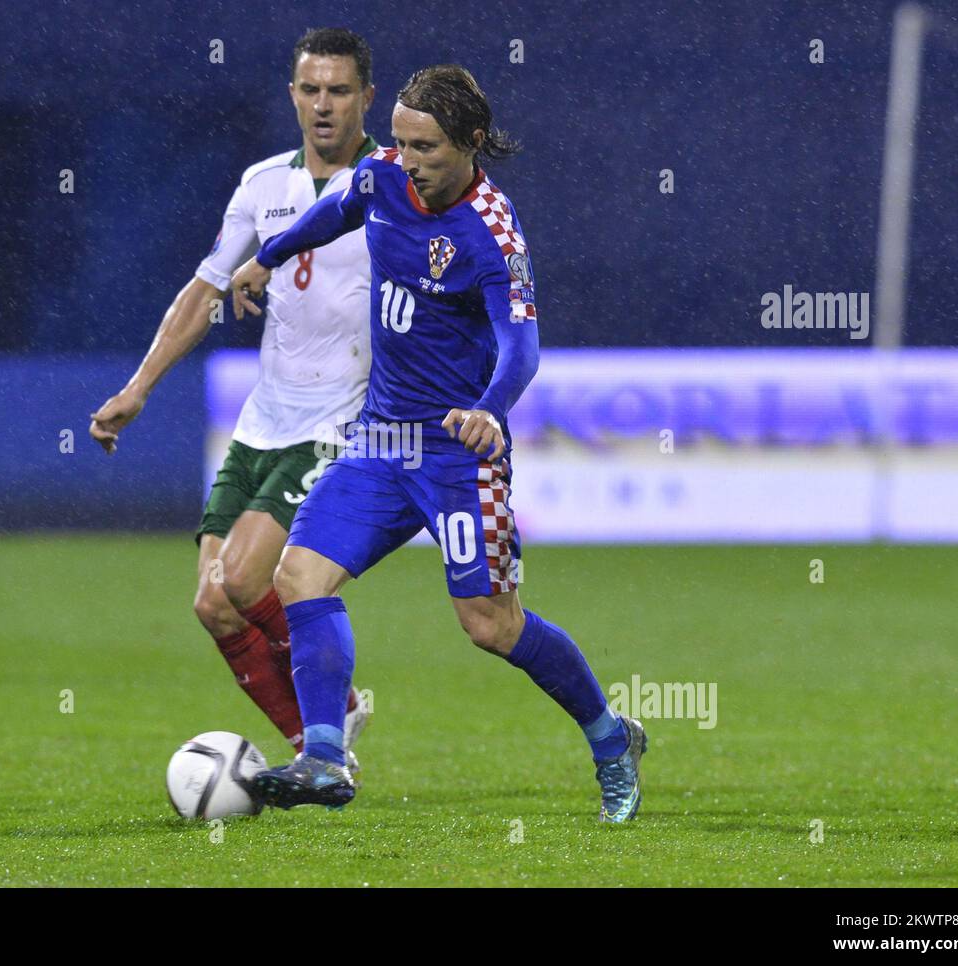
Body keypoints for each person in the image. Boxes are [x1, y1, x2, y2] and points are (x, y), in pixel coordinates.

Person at [229, 64, 647, 822]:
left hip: (458, 453)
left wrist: (490, 409)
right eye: (399, 141)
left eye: (425, 147)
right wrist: (271, 253)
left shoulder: (492, 233)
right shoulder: (382, 177)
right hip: (378, 441)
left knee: (492, 626)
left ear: (470, 141)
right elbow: (335, 212)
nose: (407, 159)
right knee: (299, 577)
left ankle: (612, 739)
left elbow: (521, 347)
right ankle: (324, 757)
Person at [90, 28, 378, 768]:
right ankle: (318, 748)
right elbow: (204, 289)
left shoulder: (391, 189)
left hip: (339, 418)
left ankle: (336, 710)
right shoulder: (262, 185)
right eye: (310, 90)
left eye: (339, 90)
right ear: (292, 96)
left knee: (249, 579)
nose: (323, 105)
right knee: (214, 603)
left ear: (366, 98)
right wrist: (138, 388)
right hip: (262, 421)